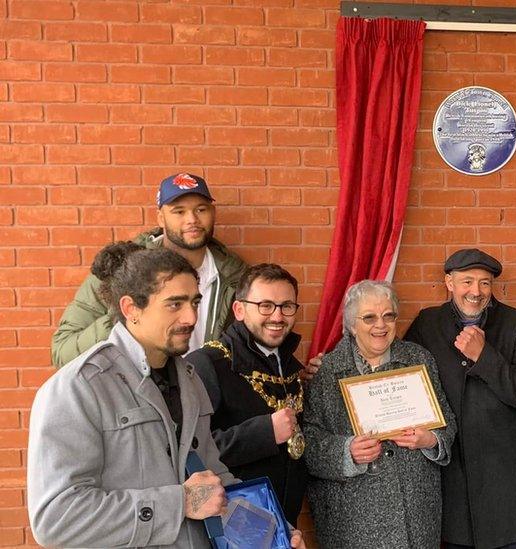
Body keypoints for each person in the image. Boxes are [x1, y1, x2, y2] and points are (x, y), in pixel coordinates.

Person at [27, 247, 305, 548]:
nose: (191, 317)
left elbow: (216, 481)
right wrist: (178, 503)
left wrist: (276, 533)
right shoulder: (78, 388)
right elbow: (56, 518)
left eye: (194, 302)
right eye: (174, 304)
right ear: (131, 308)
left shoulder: (189, 379)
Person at [404, 249, 516, 549]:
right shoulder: (428, 323)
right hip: (454, 484)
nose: (476, 292)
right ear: (449, 283)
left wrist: (484, 356)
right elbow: (399, 374)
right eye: (467, 282)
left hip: (507, 487)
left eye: (484, 283)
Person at [303, 280, 457, 548]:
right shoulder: (327, 371)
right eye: (369, 317)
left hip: (416, 513)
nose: (381, 325)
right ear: (351, 324)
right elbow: (309, 441)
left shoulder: (419, 360)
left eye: (389, 316)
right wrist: (346, 451)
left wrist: (431, 440)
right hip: (351, 519)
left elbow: (448, 422)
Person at [52, 172, 248, 367]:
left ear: (213, 213)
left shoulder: (235, 276)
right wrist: (125, 315)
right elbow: (63, 353)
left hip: (205, 393)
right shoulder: (123, 270)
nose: (192, 219)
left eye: (201, 209)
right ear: (161, 218)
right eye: (179, 211)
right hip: (139, 390)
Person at [185, 263, 309, 524]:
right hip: (232, 523)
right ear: (239, 309)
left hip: (285, 524)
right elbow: (189, 451)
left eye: (287, 306)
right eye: (265, 305)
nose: (277, 316)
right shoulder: (207, 363)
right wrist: (264, 432)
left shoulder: (290, 367)